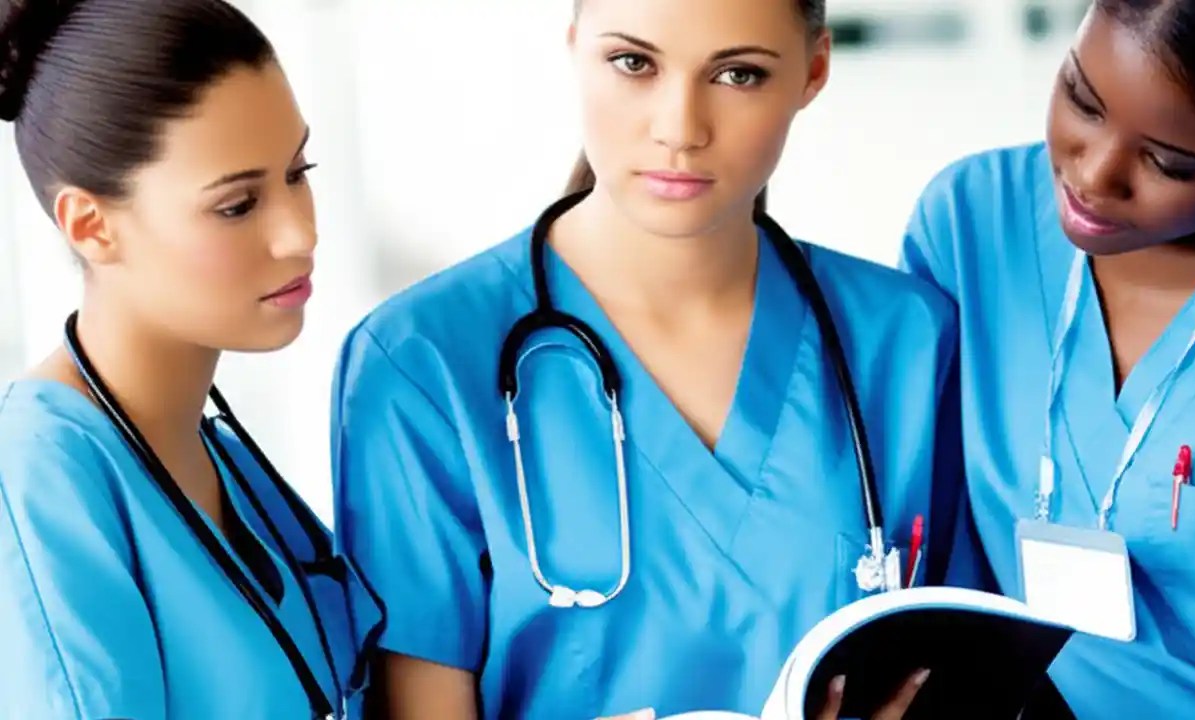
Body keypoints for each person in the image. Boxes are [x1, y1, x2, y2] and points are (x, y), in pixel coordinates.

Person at [331, 0, 972, 717]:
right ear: (575, 49)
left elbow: (953, 670)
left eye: (738, 74)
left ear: (814, 70)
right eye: (633, 63)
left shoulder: (908, 340)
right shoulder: (421, 364)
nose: (680, 129)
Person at [0, 1, 382, 718]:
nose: (300, 233)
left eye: (299, 172)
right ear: (92, 226)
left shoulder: (225, 461)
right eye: (238, 205)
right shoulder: (37, 476)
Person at [899, 1, 1195, 717]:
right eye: (1081, 98)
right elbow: (928, 524)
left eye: (1169, 163)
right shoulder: (972, 222)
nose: (1096, 175)